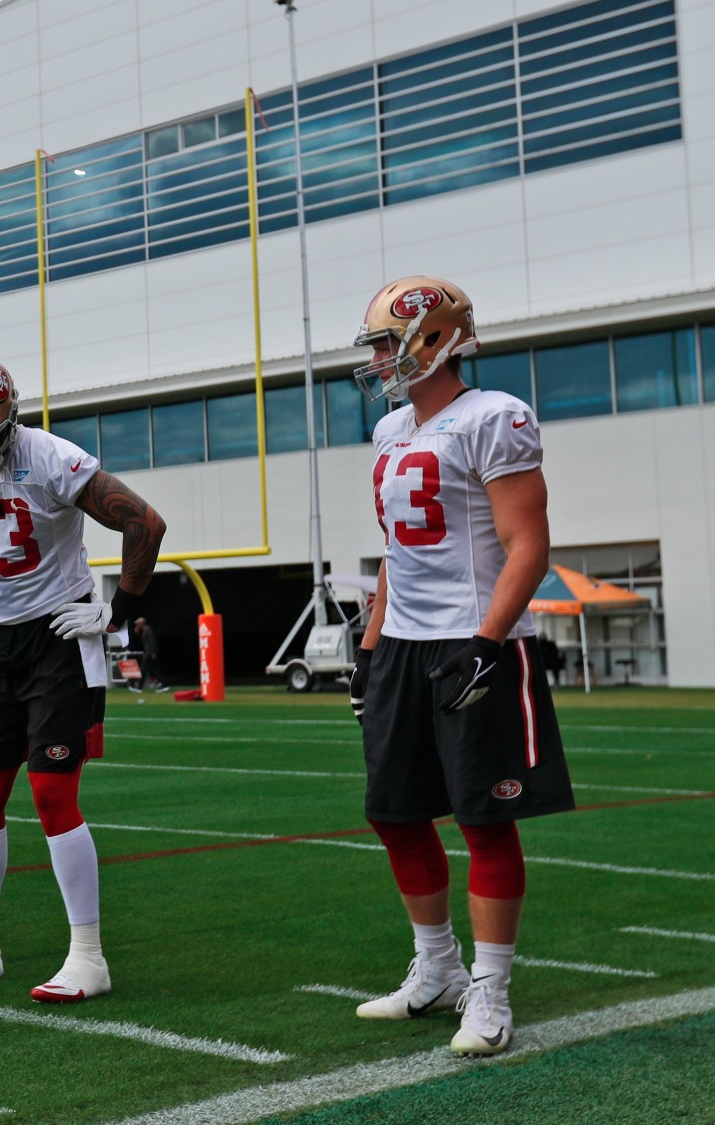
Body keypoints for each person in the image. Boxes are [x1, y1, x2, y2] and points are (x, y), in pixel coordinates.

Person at [345, 276, 570, 1058]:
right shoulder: (389, 430)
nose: (378, 359)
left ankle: (491, 991)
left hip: (472, 638)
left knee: (484, 818)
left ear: (434, 338)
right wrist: (369, 648)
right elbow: (395, 553)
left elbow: (528, 544)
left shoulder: (494, 416)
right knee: (393, 810)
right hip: (404, 644)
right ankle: (437, 966)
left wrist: (487, 641)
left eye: (386, 343)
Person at [0, 354, 167, 1004]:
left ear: (10, 419)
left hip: (58, 638)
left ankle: (88, 956)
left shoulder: (51, 457)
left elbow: (145, 521)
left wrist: (118, 611)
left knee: (53, 794)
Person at [133, 617, 168, 692]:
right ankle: (163, 685)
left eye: (138, 624)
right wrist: (138, 634)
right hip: (149, 652)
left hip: (149, 652)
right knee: (155, 670)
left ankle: (139, 686)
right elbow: (145, 642)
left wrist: (153, 652)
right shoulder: (145, 630)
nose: (137, 625)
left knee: (144, 669)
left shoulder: (148, 630)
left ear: (141, 624)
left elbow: (152, 641)